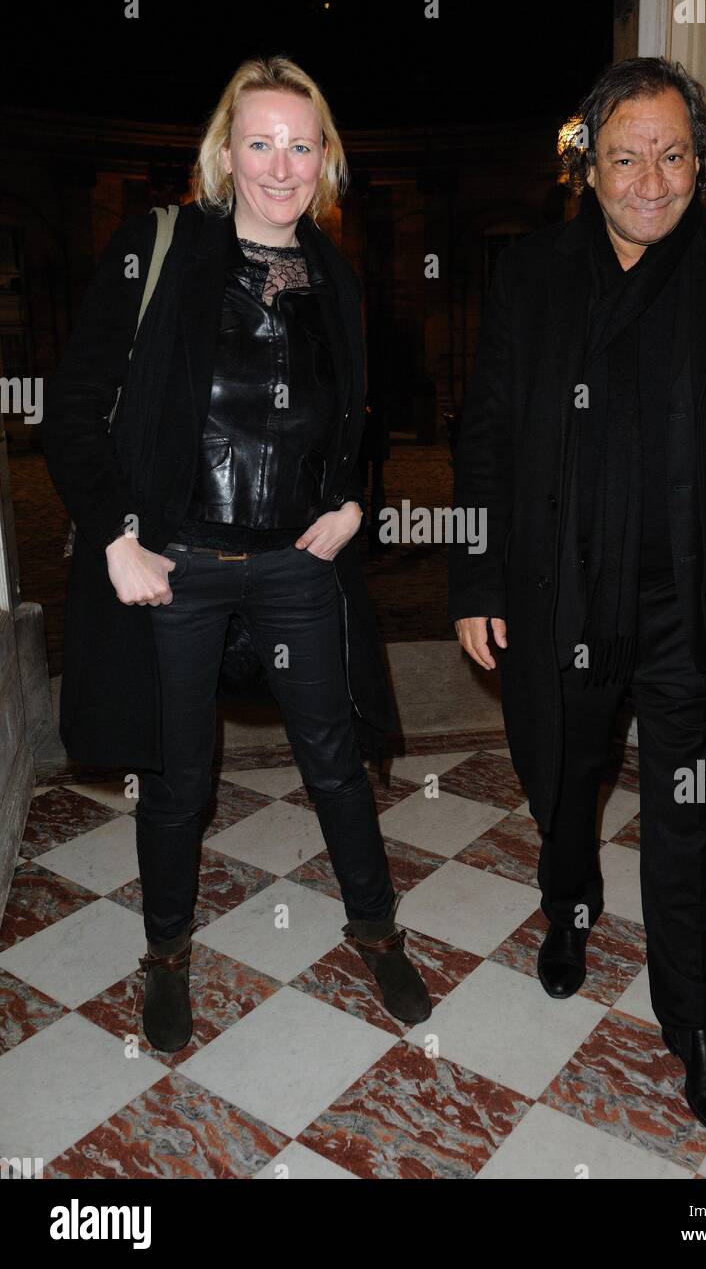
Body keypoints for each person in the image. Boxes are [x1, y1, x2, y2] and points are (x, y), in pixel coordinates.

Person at [42, 55, 431, 1052]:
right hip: (178, 563)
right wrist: (119, 539)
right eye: (259, 141)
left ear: (326, 159)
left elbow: (353, 421)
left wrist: (351, 503)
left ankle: (375, 928)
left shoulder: (337, 277)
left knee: (336, 762)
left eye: (301, 145)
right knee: (178, 778)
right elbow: (75, 411)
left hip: (299, 563)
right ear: (224, 152)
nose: (280, 163)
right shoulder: (159, 248)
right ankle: (165, 956)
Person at [448, 56, 706, 1141]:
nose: (649, 180)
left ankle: (691, 1021)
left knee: (687, 813)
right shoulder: (531, 276)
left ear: (699, 162)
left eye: (671, 156)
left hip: (691, 600)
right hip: (565, 590)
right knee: (561, 769)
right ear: (584, 167)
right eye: (623, 157)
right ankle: (567, 904)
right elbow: (488, 436)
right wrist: (474, 572)